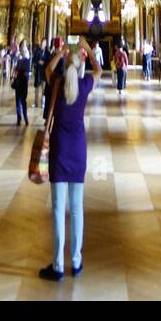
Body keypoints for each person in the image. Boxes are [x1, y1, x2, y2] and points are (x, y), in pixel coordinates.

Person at [39, 36, 103, 281]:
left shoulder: (57, 82)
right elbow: (98, 70)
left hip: (59, 149)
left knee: (57, 209)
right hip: (78, 150)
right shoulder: (85, 85)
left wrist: (62, 51)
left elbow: (47, 68)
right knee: (77, 209)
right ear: (80, 68)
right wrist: (87, 48)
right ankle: (75, 261)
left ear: (66, 67)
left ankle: (57, 265)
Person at [43, 37, 64, 122]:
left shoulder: (52, 57)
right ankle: (48, 121)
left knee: (51, 105)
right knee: (50, 104)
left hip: (53, 83)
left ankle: (48, 121)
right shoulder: (56, 58)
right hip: (53, 83)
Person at [13, 39, 31, 126]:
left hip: (24, 82)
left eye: (24, 46)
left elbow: (26, 70)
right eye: (22, 46)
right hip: (19, 81)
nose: (23, 48)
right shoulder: (19, 58)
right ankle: (19, 118)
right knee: (18, 101)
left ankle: (25, 118)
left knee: (23, 100)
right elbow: (16, 69)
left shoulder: (27, 58)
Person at [32, 38, 49, 109]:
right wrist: (37, 62)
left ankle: (43, 102)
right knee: (36, 88)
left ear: (46, 44)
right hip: (38, 72)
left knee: (44, 88)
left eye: (45, 42)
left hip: (44, 73)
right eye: (42, 42)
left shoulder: (47, 52)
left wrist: (44, 63)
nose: (43, 44)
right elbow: (33, 60)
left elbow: (49, 61)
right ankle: (36, 103)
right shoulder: (37, 51)